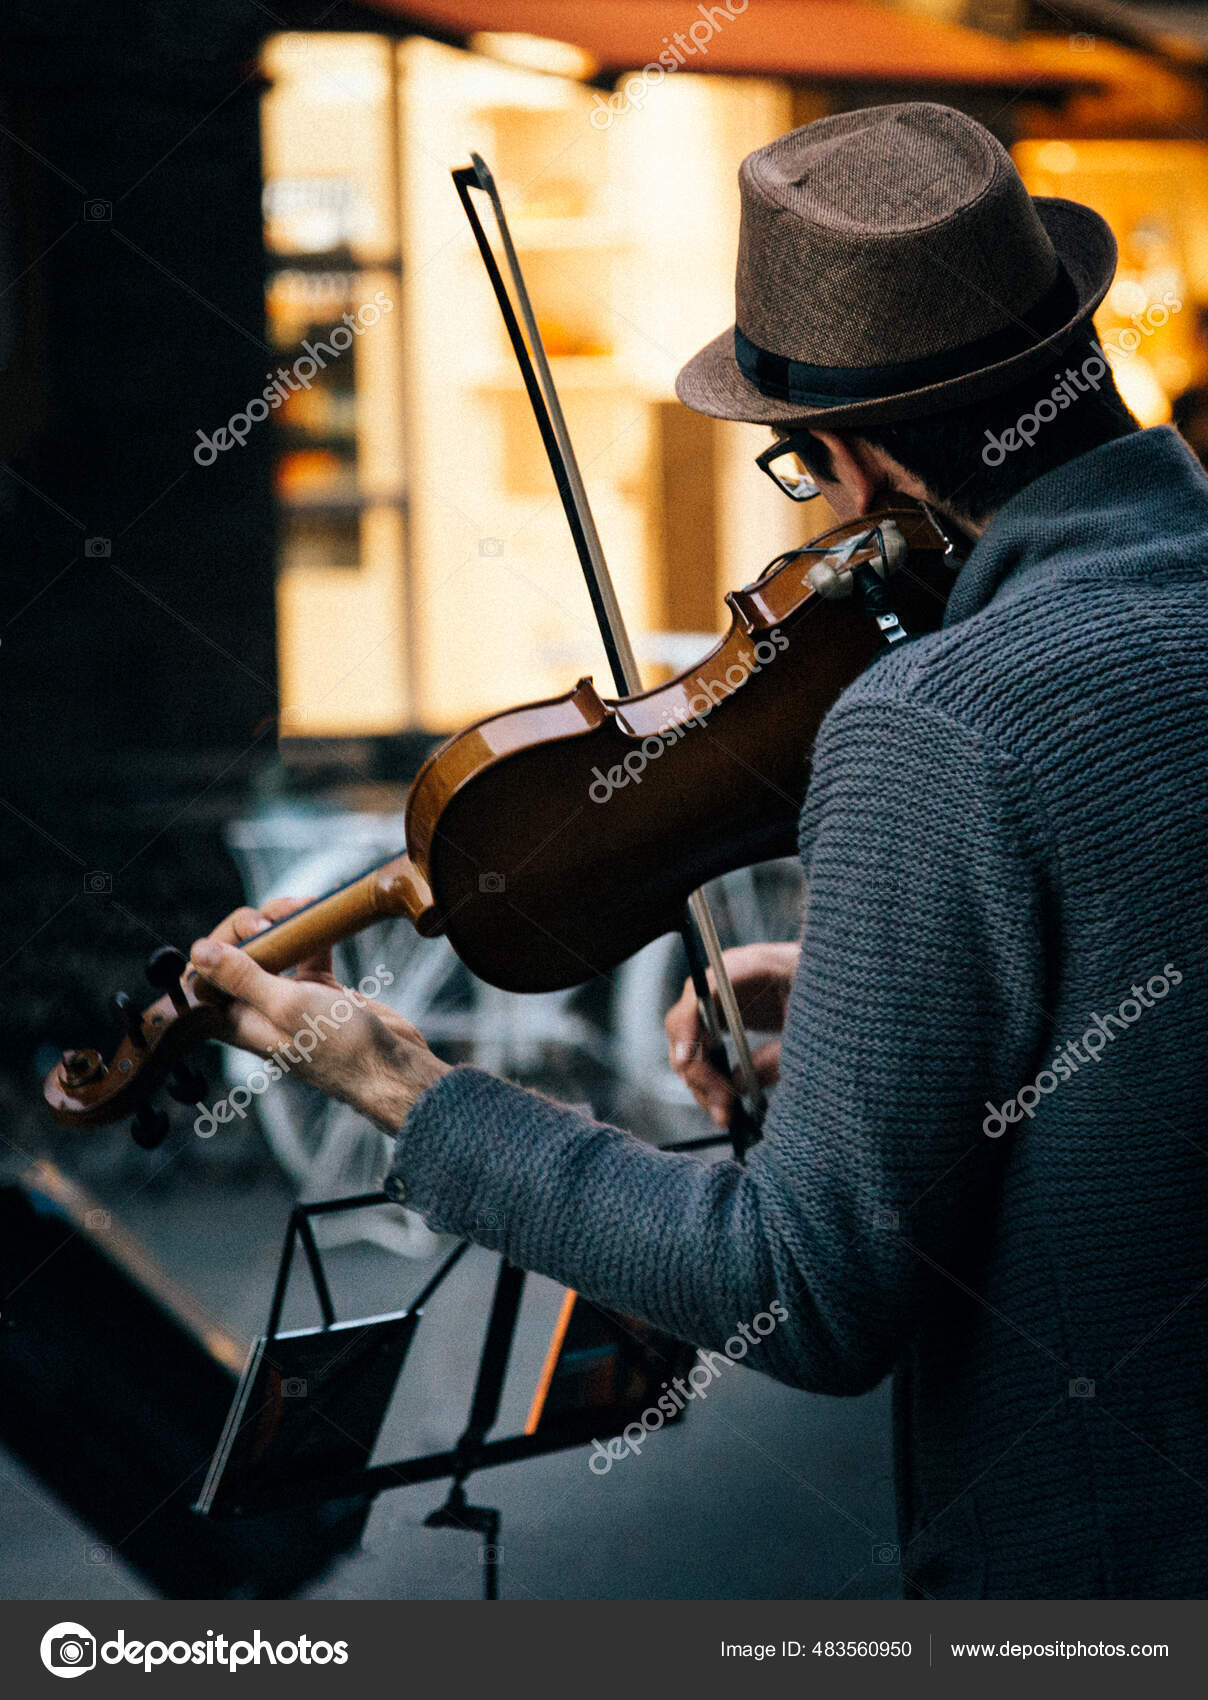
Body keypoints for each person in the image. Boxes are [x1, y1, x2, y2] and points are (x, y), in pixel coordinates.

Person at [188, 104, 1208, 1599]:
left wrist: (405, 1089)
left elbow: (795, 1292)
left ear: (863, 469)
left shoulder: (939, 724)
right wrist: (904, 1037)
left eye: (801, 472)